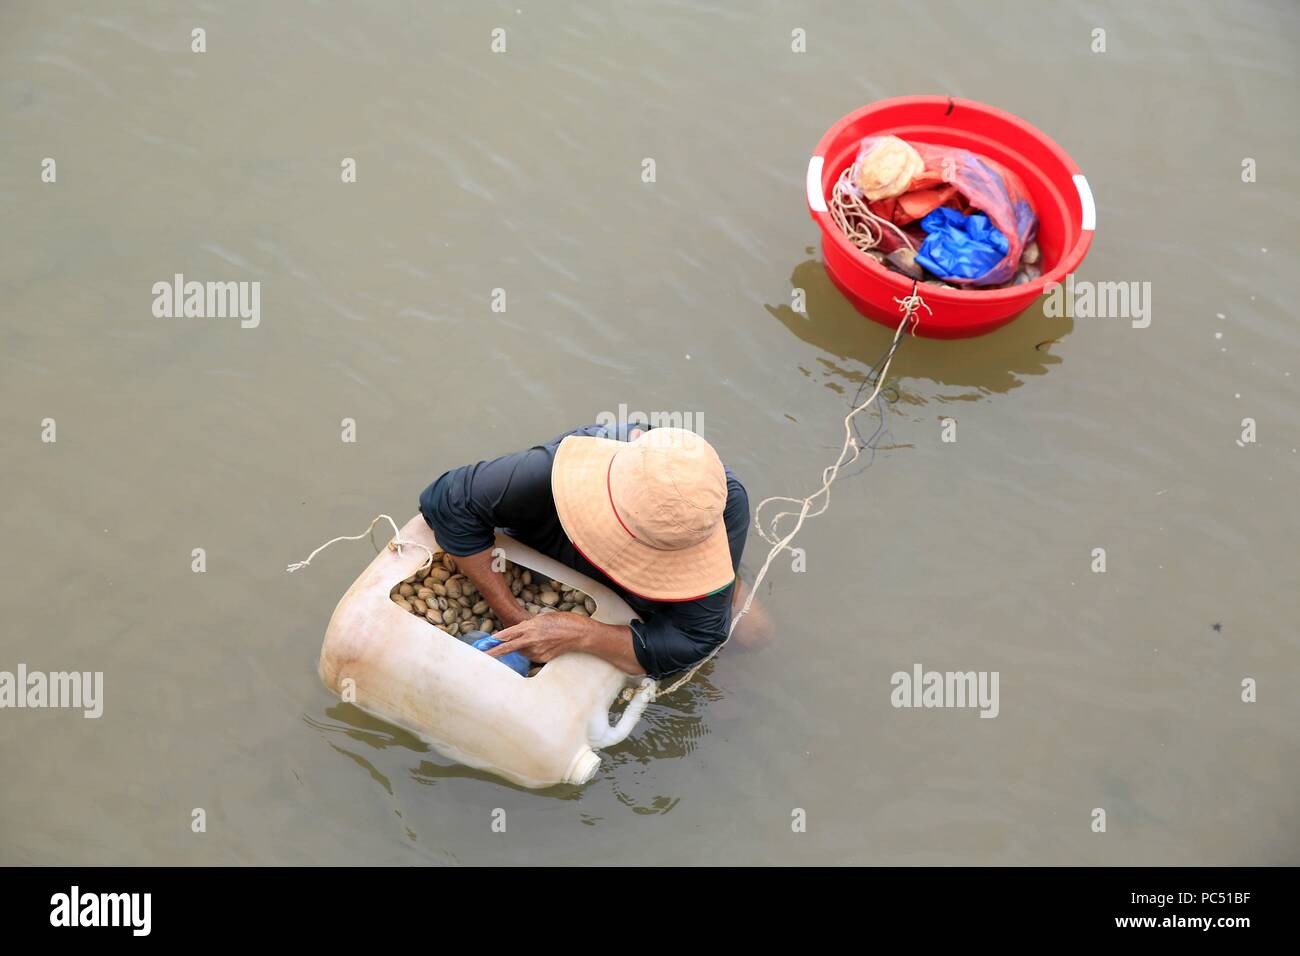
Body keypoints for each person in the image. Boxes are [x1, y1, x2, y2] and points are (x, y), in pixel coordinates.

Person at [419, 424, 749, 679]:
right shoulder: (553, 471)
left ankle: (727, 588)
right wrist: (514, 616)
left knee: (756, 634)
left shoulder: (718, 505)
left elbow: (696, 638)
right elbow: (447, 502)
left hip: (660, 595)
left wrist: (584, 634)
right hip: (549, 541)